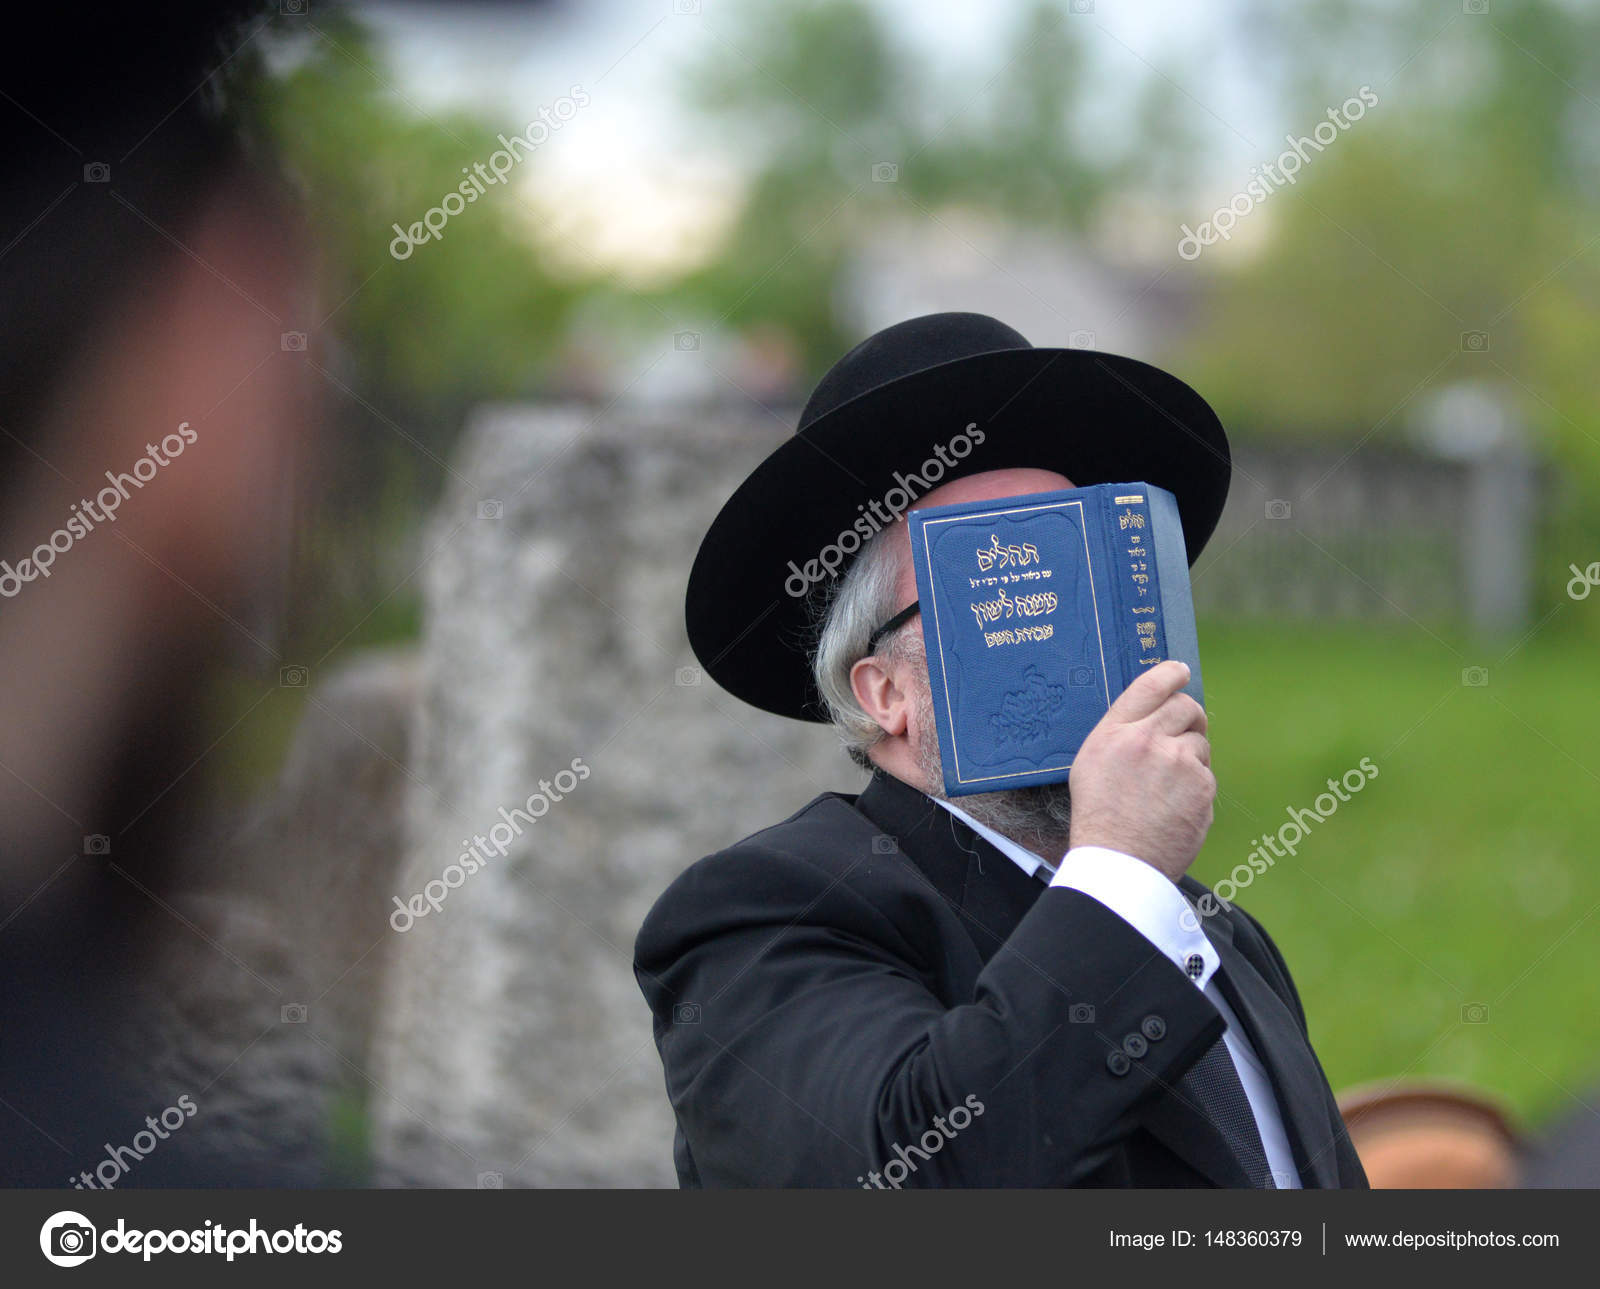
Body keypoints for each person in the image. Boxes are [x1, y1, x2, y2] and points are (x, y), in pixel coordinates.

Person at [634, 311, 1367, 1188]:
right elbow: (918, 1178)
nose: (1076, 631)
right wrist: (1124, 870)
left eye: (1084, 570)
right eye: (1010, 579)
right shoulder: (762, 916)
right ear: (886, 693)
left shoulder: (1214, 933)